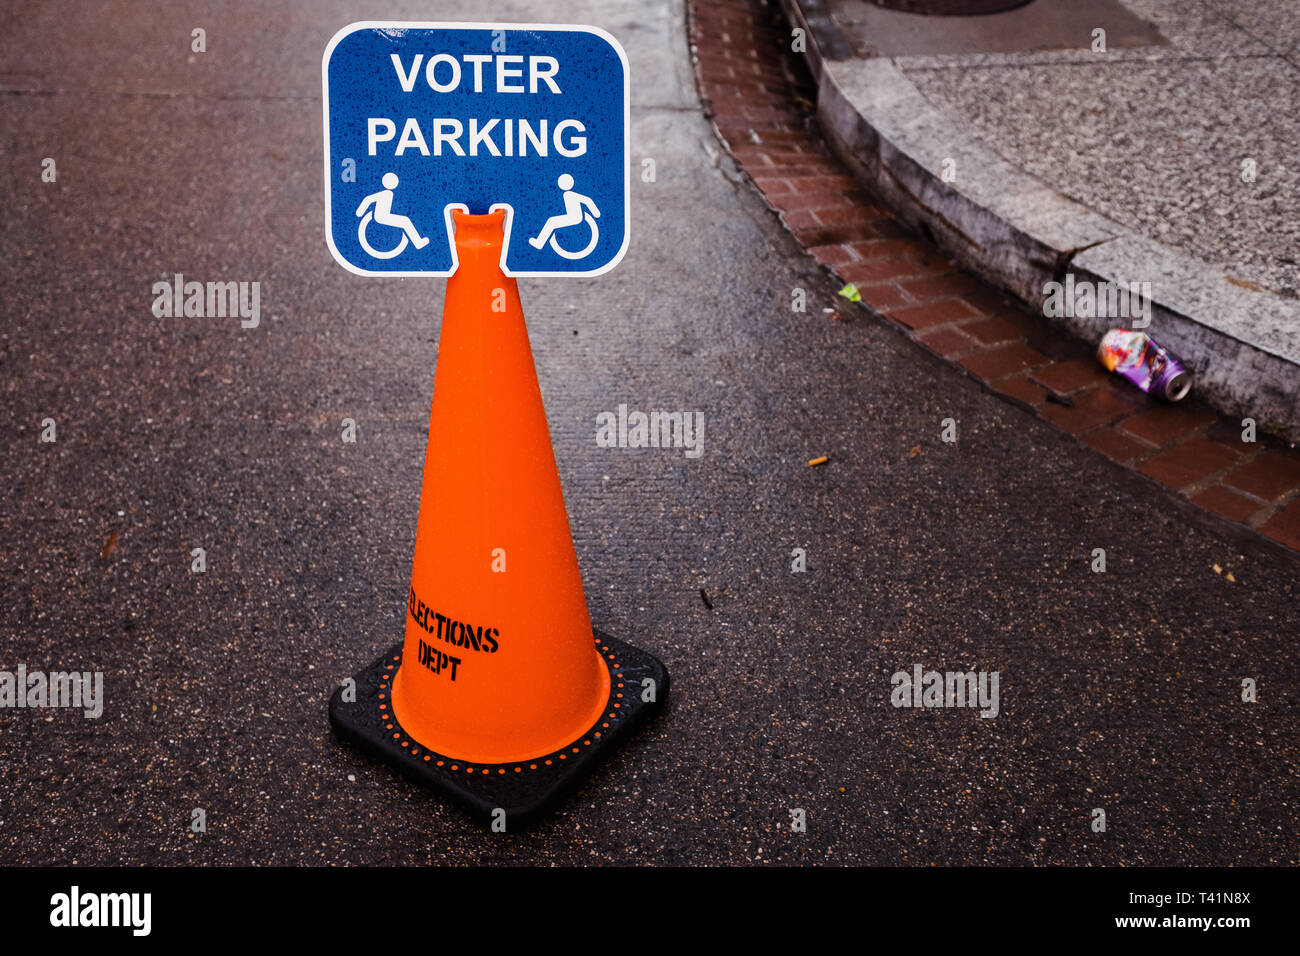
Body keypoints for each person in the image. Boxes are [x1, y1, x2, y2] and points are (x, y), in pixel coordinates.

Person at [356, 172, 430, 249]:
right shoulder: (385, 193)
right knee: (405, 221)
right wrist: (360, 212)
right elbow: (368, 199)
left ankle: (418, 242)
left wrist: (360, 212)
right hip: (382, 217)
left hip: (384, 216)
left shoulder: (388, 193)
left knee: (405, 220)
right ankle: (418, 242)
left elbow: (368, 199)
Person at [528, 174, 600, 249]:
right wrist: (595, 213)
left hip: (574, 217)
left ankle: (539, 243)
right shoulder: (567, 194)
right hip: (572, 216)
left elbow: (587, 200)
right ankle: (539, 242)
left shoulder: (569, 194)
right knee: (551, 221)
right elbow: (587, 200)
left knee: (551, 222)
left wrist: (596, 213)